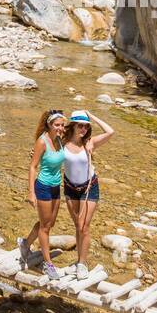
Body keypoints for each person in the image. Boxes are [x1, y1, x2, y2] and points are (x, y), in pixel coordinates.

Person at [63, 110, 115, 278]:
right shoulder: (62, 142)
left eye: (86, 126)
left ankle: (82, 264)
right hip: (70, 188)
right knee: (78, 226)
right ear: (72, 125)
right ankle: (79, 261)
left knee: (83, 226)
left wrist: (91, 115)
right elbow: (46, 145)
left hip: (89, 188)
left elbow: (110, 132)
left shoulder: (89, 142)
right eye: (80, 125)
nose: (84, 129)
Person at [19, 110, 67, 278]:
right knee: (45, 227)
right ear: (49, 125)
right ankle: (48, 264)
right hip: (43, 186)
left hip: (56, 187)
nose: (60, 128)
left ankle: (25, 243)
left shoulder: (60, 139)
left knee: (48, 223)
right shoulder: (42, 141)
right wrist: (31, 192)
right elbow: (33, 167)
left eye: (62, 125)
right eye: (57, 125)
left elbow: (78, 136)